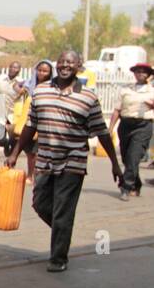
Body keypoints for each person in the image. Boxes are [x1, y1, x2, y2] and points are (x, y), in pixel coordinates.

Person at [7, 51, 119, 272]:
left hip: (72, 162)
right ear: (56, 65)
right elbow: (31, 126)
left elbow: (102, 133)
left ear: (79, 66)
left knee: (62, 210)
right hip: (45, 160)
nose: (65, 66)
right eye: (62, 62)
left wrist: (115, 163)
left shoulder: (88, 97)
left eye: (71, 62)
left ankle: (58, 258)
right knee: (40, 204)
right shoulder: (41, 91)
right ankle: (63, 230)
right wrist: (15, 153)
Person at [109, 62, 153, 199]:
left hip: (143, 126)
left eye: (143, 71)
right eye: (138, 71)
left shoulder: (151, 90)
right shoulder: (126, 90)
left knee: (134, 156)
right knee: (127, 158)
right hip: (126, 125)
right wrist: (110, 129)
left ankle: (126, 187)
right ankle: (136, 184)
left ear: (148, 75)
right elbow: (117, 109)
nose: (140, 74)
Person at [0, 61, 23, 149]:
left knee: (15, 139)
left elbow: (24, 99)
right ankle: (6, 144)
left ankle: (12, 148)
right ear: (9, 68)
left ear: (19, 70)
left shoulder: (21, 83)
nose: (13, 69)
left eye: (16, 68)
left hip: (14, 114)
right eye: (12, 67)